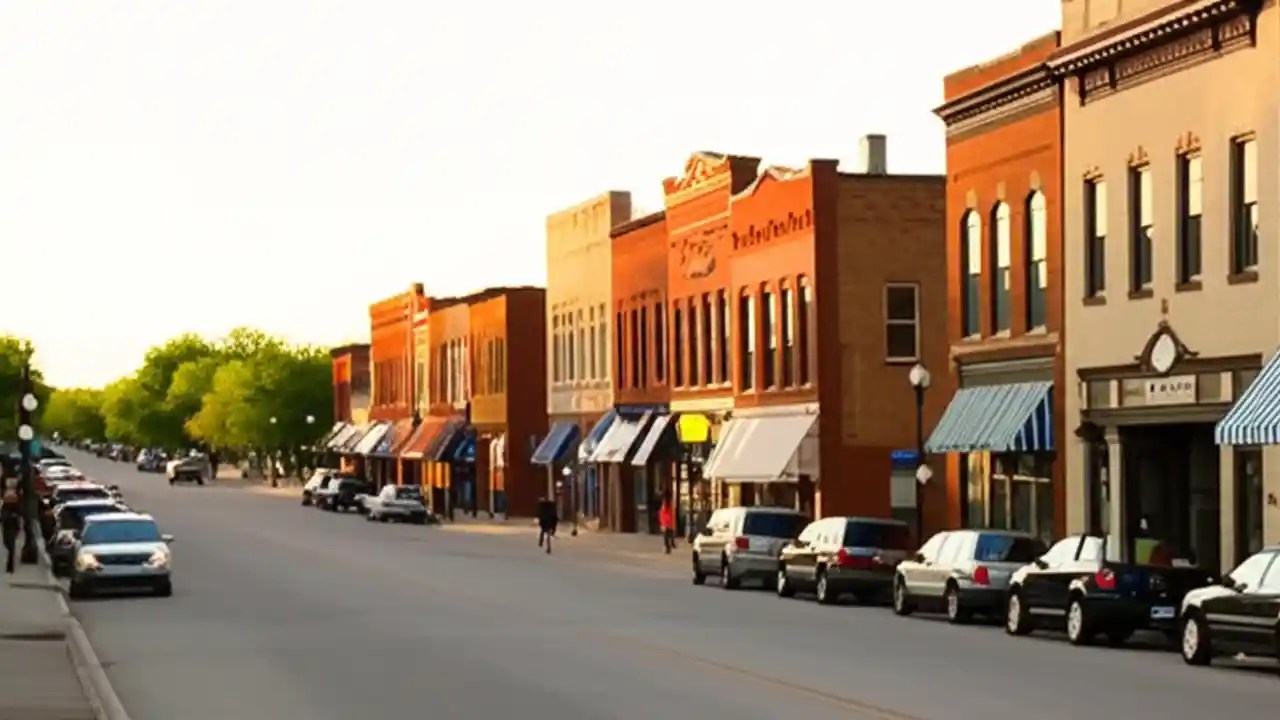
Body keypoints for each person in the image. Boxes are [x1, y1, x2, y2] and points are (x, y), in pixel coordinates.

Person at [2, 490, 21, 575]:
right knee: (7, 545)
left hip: (11, 529)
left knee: (11, 548)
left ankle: (10, 567)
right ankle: (9, 567)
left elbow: (18, 518)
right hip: (7, 528)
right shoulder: (5, 507)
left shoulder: (15, 507)